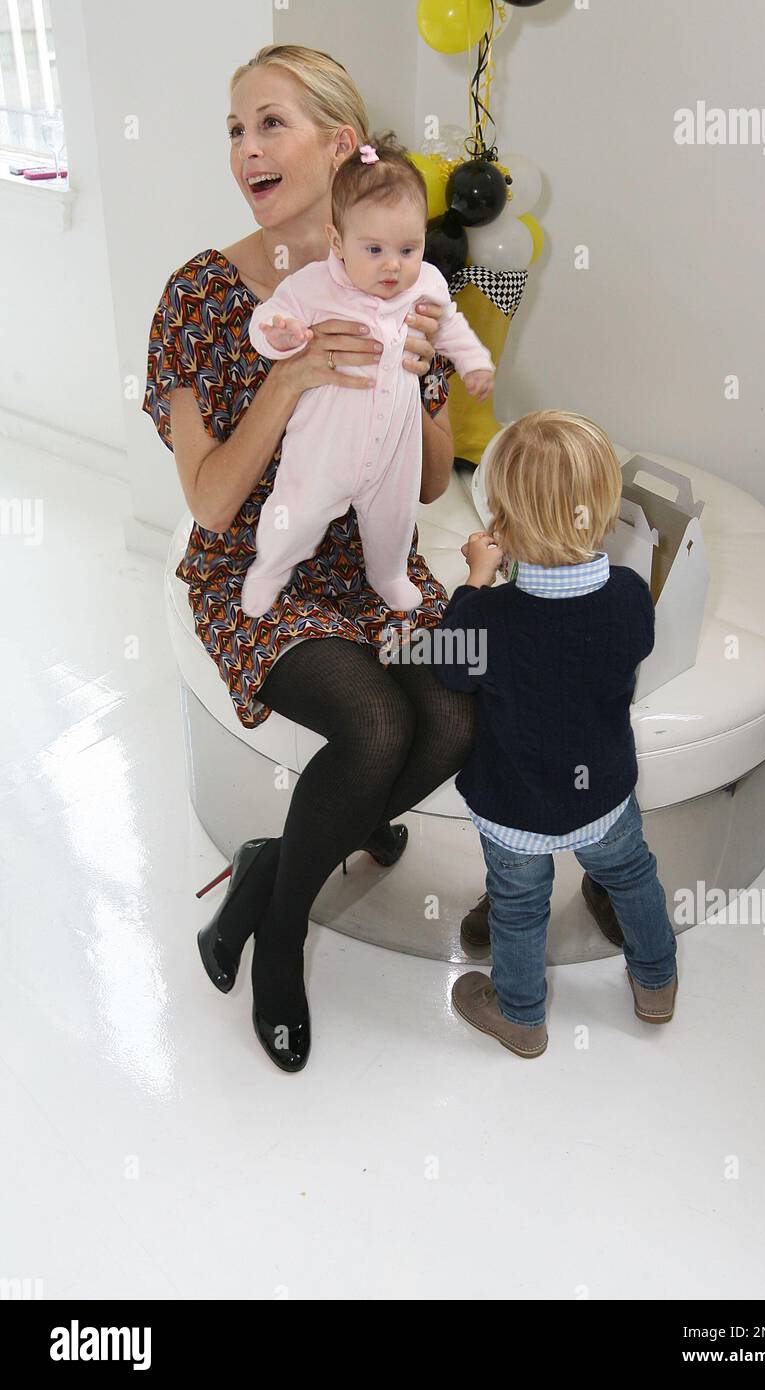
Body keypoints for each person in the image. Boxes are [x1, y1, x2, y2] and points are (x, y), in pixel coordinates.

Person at [141, 44, 475, 1072]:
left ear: (340, 146)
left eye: (270, 122)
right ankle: (280, 939)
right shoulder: (199, 295)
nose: (247, 148)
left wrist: (426, 385)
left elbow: (426, 487)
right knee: (377, 727)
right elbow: (206, 499)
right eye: (235, 129)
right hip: (258, 570)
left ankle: (269, 869)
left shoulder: (400, 272)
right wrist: (287, 384)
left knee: (457, 713)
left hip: (371, 566)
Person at [431, 411, 679, 1058]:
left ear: (501, 522)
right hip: (604, 798)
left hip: (516, 811)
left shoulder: (488, 620)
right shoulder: (629, 595)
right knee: (633, 878)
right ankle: (655, 983)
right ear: (601, 511)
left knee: (519, 909)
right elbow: (631, 645)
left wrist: (476, 579)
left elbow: (448, 669)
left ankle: (520, 1016)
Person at [242, 134, 495, 619]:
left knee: (394, 520)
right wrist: (282, 332)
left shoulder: (427, 283)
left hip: (393, 447)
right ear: (337, 241)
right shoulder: (314, 285)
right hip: (325, 446)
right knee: (297, 512)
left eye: (408, 247)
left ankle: (389, 575)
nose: (392, 266)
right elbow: (269, 319)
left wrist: (475, 362)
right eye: (374, 248)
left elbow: (449, 324)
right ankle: (271, 568)